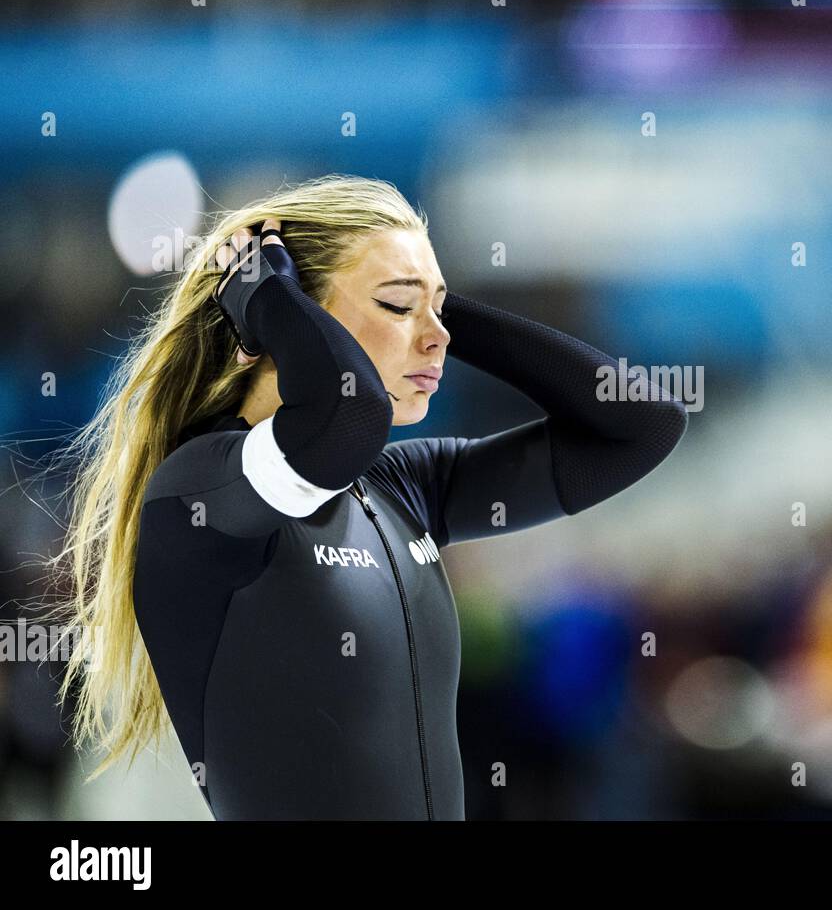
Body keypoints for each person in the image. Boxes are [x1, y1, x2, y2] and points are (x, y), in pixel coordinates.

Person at [48, 175, 687, 819]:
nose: (437, 338)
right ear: (279, 324)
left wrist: (436, 310)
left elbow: (640, 425)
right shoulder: (203, 493)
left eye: (439, 310)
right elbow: (345, 419)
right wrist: (268, 299)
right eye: (395, 305)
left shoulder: (404, 491)